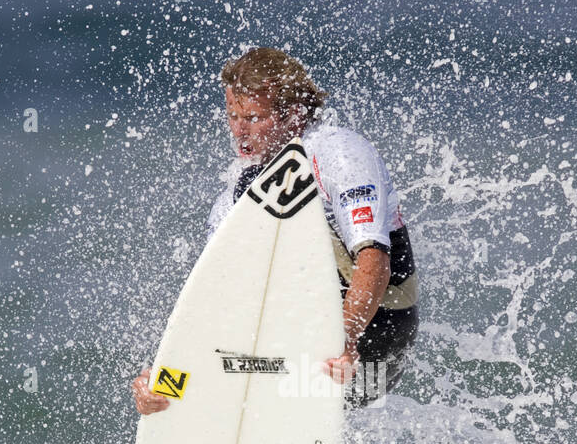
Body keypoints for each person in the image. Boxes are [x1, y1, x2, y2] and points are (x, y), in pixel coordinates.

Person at [132, 47, 419, 414]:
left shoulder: (338, 153)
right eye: (233, 116)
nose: (239, 130)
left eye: (254, 117)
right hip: (300, 347)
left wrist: (344, 339)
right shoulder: (239, 197)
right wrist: (167, 379)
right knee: (220, 345)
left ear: (296, 113)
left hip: (376, 338)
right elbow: (213, 300)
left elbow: (374, 260)